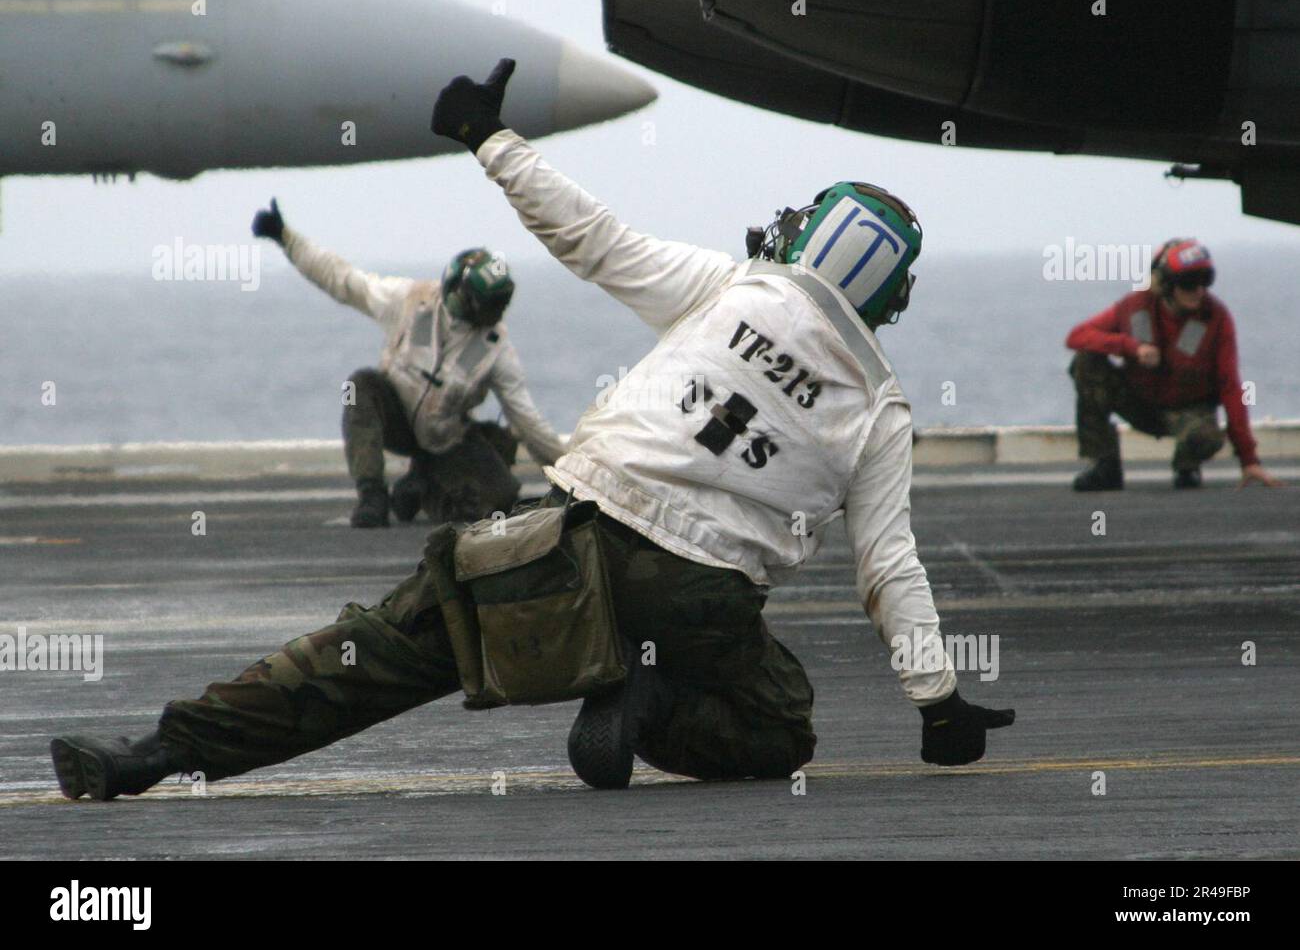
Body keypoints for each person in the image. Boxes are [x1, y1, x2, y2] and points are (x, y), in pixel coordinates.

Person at [49, 59, 1014, 801]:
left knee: (378, 651)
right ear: (887, 297)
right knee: (781, 727)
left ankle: (154, 753)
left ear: (809, 237)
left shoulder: (733, 287)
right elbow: (888, 567)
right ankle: (644, 697)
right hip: (700, 599)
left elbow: (590, 239)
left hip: (567, 538)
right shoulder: (880, 405)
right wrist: (938, 704)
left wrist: (489, 137)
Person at [250, 200, 567, 527]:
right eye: (485, 304)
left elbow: (527, 420)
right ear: (459, 291)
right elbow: (343, 280)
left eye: (497, 306)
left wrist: (572, 476)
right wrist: (287, 239)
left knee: (500, 498)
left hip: (446, 439)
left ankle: (421, 487)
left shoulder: (495, 348)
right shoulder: (410, 301)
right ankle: (372, 495)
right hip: (396, 418)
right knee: (360, 386)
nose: (491, 314)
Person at [1066, 238, 1284, 491]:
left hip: (1188, 412)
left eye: (1205, 280)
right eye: (1189, 282)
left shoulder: (1216, 318)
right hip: (1139, 402)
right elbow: (1077, 336)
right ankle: (1105, 465)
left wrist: (1249, 460)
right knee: (1086, 361)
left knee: (1207, 438)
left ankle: (1186, 466)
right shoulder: (1134, 307)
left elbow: (1230, 386)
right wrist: (1131, 347)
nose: (1199, 290)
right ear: (1166, 283)